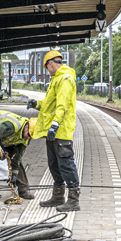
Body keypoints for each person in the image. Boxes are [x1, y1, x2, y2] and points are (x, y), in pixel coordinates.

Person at [33, 49, 81, 212]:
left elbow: (62, 105)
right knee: (54, 164)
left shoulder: (65, 79)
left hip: (61, 130)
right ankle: (58, 196)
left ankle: (73, 200)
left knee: (66, 164)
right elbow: (49, 103)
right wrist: (36, 104)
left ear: (51, 64)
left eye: (47, 67)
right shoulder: (56, 79)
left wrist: (55, 124)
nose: (47, 71)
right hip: (52, 131)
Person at [0, 110, 34, 199]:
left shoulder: (29, 135)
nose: (28, 137)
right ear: (26, 127)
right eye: (28, 135)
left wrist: (14, 172)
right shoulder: (10, 127)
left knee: (17, 161)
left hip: (4, 135)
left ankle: (24, 190)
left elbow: (18, 155)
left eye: (31, 136)